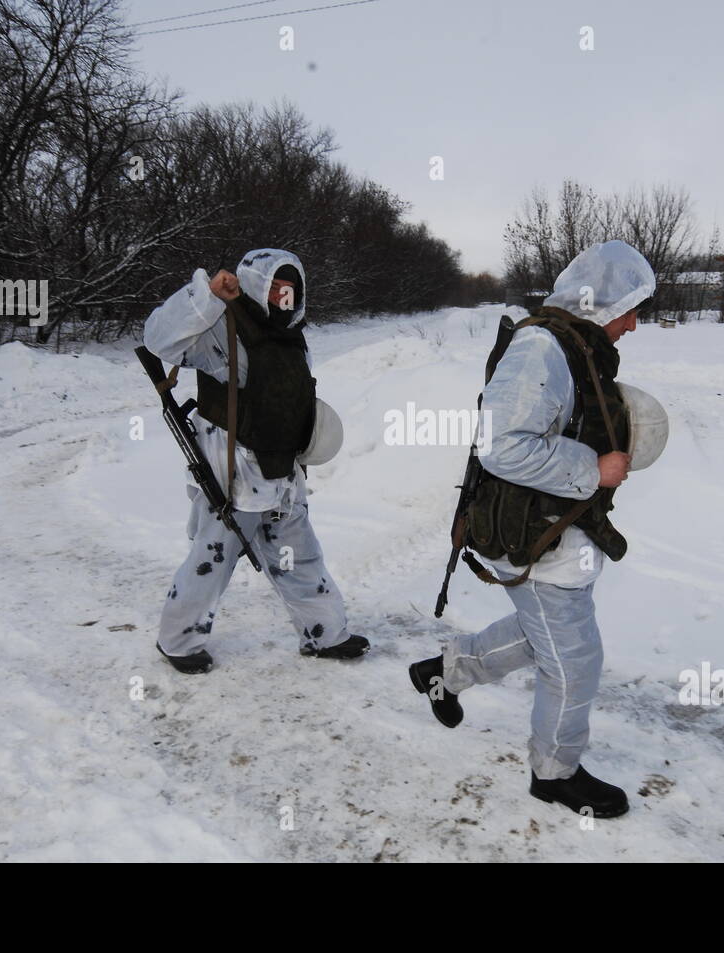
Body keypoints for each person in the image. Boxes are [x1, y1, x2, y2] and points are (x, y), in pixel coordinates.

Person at [409, 240, 655, 818]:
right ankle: (555, 773)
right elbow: (502, 446)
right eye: (631, 309)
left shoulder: (576, 346)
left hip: (557, 531)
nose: (635, 325)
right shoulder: (542, 348)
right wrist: (593, 470)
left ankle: (443, 670)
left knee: (541, 634)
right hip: (532, 535)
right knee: (573, 661)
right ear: (604, 303)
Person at [143, 248, 368, 673]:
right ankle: (178, 642)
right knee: (212, 560)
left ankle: (325, 633)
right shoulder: (219, 326)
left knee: (301, 557)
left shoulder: (293, 336)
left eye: (292, 288)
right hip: (233, 477)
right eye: (276, 286)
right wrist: (206, 296)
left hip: (282, 472)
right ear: (256, 285)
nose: (285, 295)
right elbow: (158, 338)